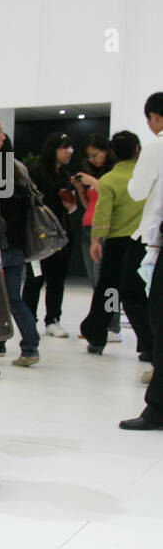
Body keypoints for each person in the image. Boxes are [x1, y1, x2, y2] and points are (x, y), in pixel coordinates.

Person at [78, 131, 151, 361]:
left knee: (109, 289)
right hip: (144, 241)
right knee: (140, 293)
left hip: (117, 243)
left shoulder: (109, 180)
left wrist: (96, 240)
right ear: (137, 149)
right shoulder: (148, 178)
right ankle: (148, 343)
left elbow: (103, 214)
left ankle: (99, 334)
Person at [0, 115, 41, 366]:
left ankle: (18, 345)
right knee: (12, 298)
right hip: (16, 245)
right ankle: (24, 346)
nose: (2, 135)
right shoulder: (17, 168)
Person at [120, 91, 163, 430]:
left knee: (139, 299)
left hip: (152, 240)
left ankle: (157, 407)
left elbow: (137, 191)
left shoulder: (156, 147)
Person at [22, 133, 78, 337]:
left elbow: (71, 207)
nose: (68, 152)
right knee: (35, 278)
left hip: (61, 232)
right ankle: (28, 320)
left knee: (57, 278)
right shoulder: (35, 173)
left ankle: (53, 319)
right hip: (39, 233)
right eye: (64, 148)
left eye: (70, 148)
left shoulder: (66, 175)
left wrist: (70, 203)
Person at [75, 133, 121, 339]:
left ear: (105, 151)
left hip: (105, 229)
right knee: (96, 282)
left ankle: (112, 325)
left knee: (108, 281)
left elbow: (112, 194)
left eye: (95, 155)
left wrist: (92, 181)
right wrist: (79, 188)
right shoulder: (99, 174)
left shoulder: (112, 175)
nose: (93, 160)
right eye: (90, 157)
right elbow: (90, 204)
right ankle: (98, 322)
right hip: (89, 226)